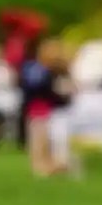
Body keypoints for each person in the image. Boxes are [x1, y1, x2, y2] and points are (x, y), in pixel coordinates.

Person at [20, 38, 71, 176]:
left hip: (47, 109)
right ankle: (44, 168)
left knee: (45, 141)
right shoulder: (39, 70)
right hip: (40, 108)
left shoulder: (48, 70)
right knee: (40, 141)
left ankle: (49, 167)